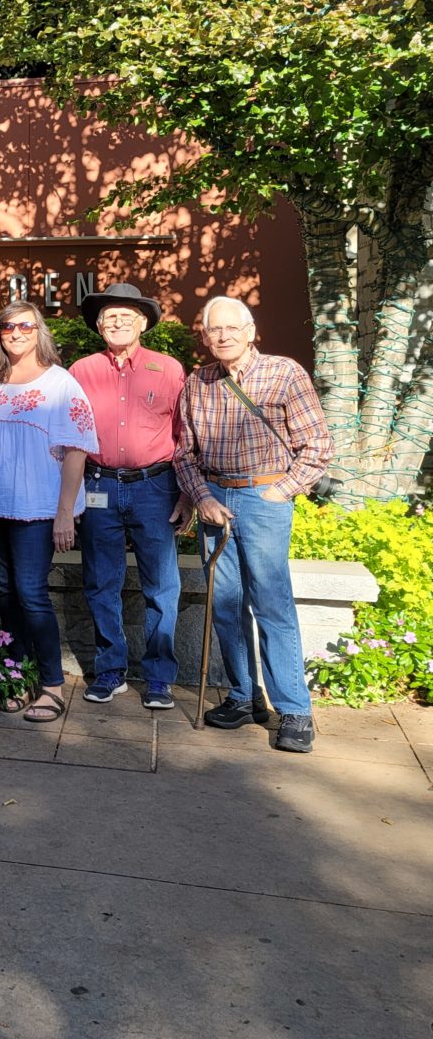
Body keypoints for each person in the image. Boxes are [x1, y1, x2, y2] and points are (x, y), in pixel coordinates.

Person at [174, 295, 333, 754]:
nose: (222, 336)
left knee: (271, 605)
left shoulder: (284, 373)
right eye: (213, 330)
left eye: (231, 328)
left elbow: (317, 445)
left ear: (250, 331)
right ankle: (245, 696)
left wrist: (278, 492)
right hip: (214, 499)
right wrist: (201, 496)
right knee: (225, 605)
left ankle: (295, 710)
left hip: (264, 497)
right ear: (204, 336)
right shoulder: (197, 382)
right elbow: (183, 454)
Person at [70, 283, 190, 709]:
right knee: (101, 583)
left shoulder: (169, 369)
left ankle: (159, 678)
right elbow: (69, 436)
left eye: (125, 316)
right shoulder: (81, 371)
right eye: (109, 318)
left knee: (162, 586)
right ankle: (109, 670)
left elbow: (184, 435)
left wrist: (187, 494)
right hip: (98, 484)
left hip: (155, 487)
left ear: (143, 323)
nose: (117, 323)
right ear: (99, 327)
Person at [0, 302, 100, 723]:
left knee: (31, 593)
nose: (15, 333)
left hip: (37, 508)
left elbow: (76, 450)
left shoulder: (60, 383)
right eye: (7, 326)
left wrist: (65, 513)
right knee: (5, 593)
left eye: (24, 326)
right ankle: (18, 673)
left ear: (39, 331)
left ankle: (51, 685)